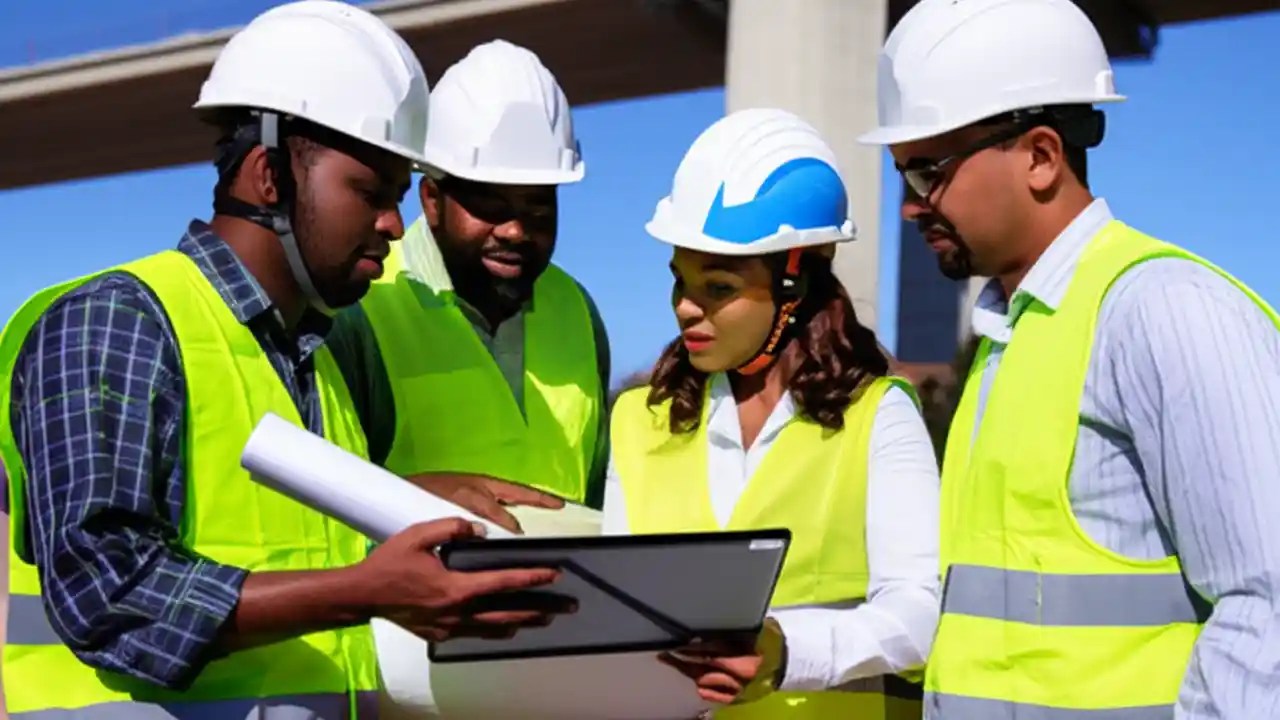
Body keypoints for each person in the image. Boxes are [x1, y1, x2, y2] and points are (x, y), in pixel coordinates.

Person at [0, 4, 570, 718]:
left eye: (398, 197)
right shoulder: (116, 321)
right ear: (269, 175)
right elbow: (105, 591)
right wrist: (367, 591)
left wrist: (402, 499)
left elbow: (275, 542)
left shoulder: (316, 357)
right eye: (370, 193)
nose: (395, 225)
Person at [857, 0, 1280, 717]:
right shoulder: (1007, 341)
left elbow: (1265, 608)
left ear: (1041, 156)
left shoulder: (1166, 311)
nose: (910, 204)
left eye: (927, 172)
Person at [605, 108, 941, 719]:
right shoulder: (636, 421)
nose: (685, 307)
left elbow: (919, 614)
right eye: (680, 280)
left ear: (795, 283)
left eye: (718, 287)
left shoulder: (879, 416)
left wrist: (788, 651)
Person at [327, 39, 611, 529]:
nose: (515, 230)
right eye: (489, 204)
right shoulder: (364, 307)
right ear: (431, 198)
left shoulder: (578, 311)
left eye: (538, 206)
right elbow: (321, 502)